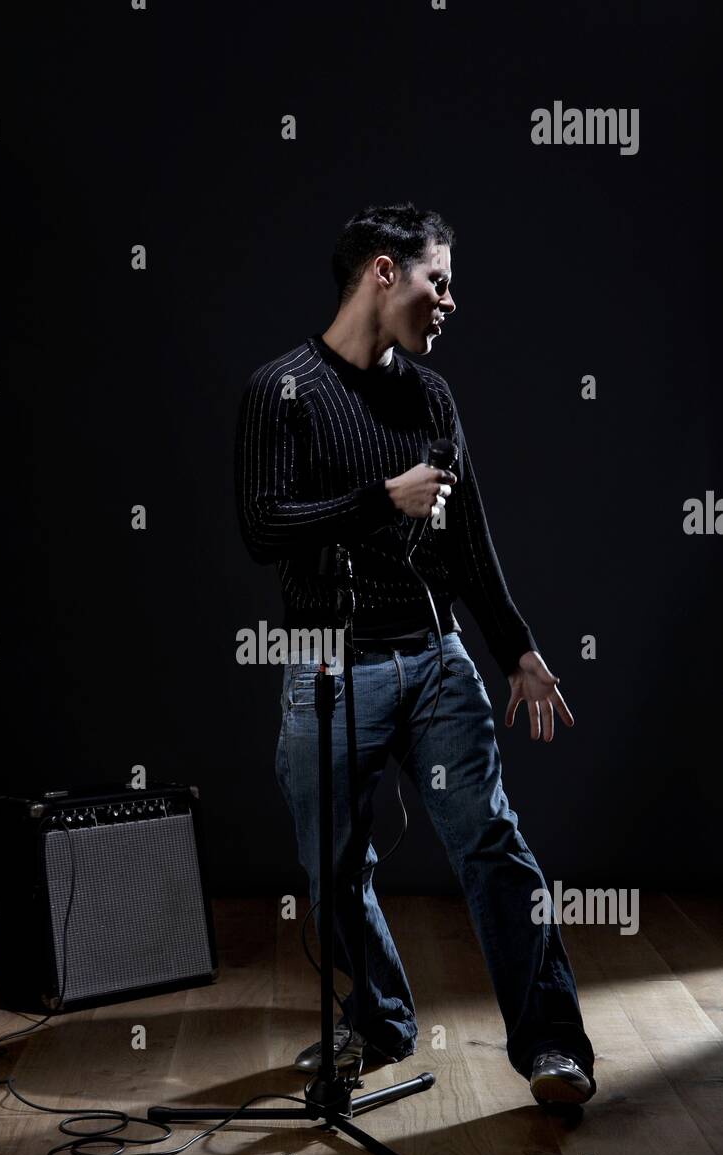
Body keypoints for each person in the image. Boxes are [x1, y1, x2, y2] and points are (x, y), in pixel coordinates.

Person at [234, 202, 596, 1106]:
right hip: (328, 668)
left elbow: (469, 539)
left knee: (493, 844)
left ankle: (553, 1047)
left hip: (435, 661)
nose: (451, 300)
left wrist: (517, 649)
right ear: (383, 274)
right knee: (333, 870)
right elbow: (261, 527)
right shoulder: (280, 390)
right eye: (439, 279)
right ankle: (382, 1019)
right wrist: (377, 500)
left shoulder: (431, 396)